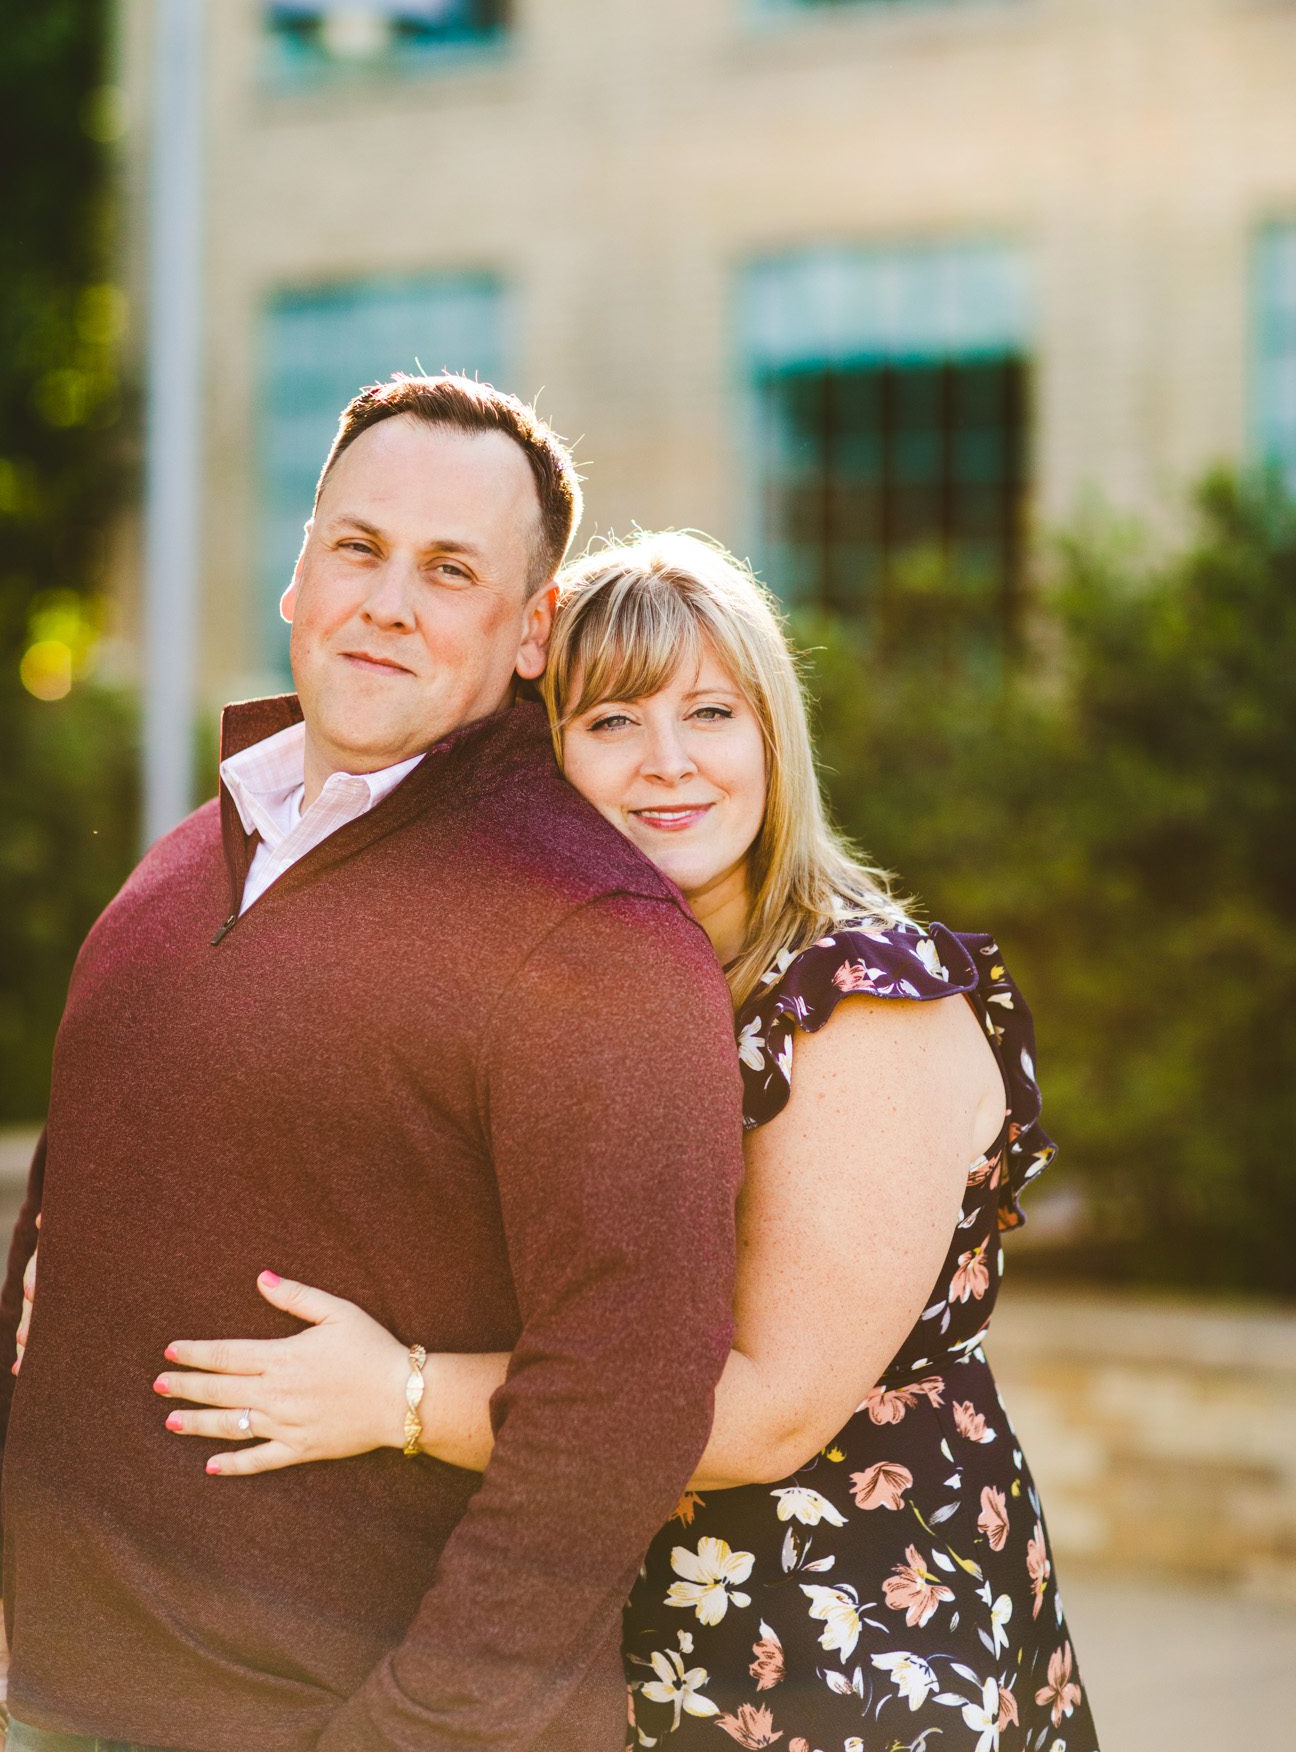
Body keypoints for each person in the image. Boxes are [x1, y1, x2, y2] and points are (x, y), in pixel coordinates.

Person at [106, 531, 1100, 1750]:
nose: (667, 762)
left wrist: (399, 1394)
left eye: (711, 711)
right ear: (546, 758)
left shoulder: (865, 1000)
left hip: (845, 1650)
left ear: (772, 738)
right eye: (612, 720)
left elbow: (767, 1410)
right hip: (592, 1628)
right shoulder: (577, 991)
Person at [0, 377, 746, 1752]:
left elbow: (621, 1408)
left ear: (530, 632)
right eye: (358, 548)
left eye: (450, 571)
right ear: (299, 573)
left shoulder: (588, 933)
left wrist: (421, 1731)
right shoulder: (204, 840)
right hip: (67, 1687)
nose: (388, 602)